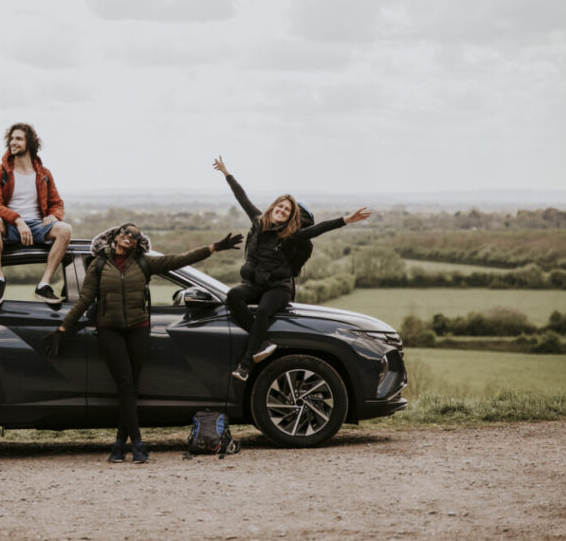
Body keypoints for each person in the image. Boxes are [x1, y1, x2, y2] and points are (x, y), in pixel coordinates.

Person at [46, 223, 242, 464]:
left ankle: (119, 445)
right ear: (115, 236)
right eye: (126, 232)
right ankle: (138, 445)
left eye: (135, 236)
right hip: (109, 331)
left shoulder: (144, 263)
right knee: (126, 386)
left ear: (138, 243)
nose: (130, 236)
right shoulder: (98, 265)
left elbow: (179, 260)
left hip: (138, 330)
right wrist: (62, 329)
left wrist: (213, 248)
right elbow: (85, 300)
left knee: (130, 389)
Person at [212, 156, 371, 382]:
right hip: (257, 284)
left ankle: (245, 365)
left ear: (289, 217)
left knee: (265, 311)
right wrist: (226, 173)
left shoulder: (290, 237)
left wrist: (345, 220)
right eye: (281, 207)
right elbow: (241, 196)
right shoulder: (258, 221)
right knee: (233, 295)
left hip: (279, 287)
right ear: (273, 207)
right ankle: (263, 342)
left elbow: (318, 230)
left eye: (287, 211)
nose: (283, 211)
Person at [0, 123, 72, 306]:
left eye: (19, 139)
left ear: (29, 143)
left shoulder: (44, 174)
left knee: (65, 229)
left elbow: (57, 203)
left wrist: (54, 216)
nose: (13, 142)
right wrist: (17, 220)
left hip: (38, 226)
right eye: (12, 138)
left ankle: (44, 284)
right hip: (10, 226)